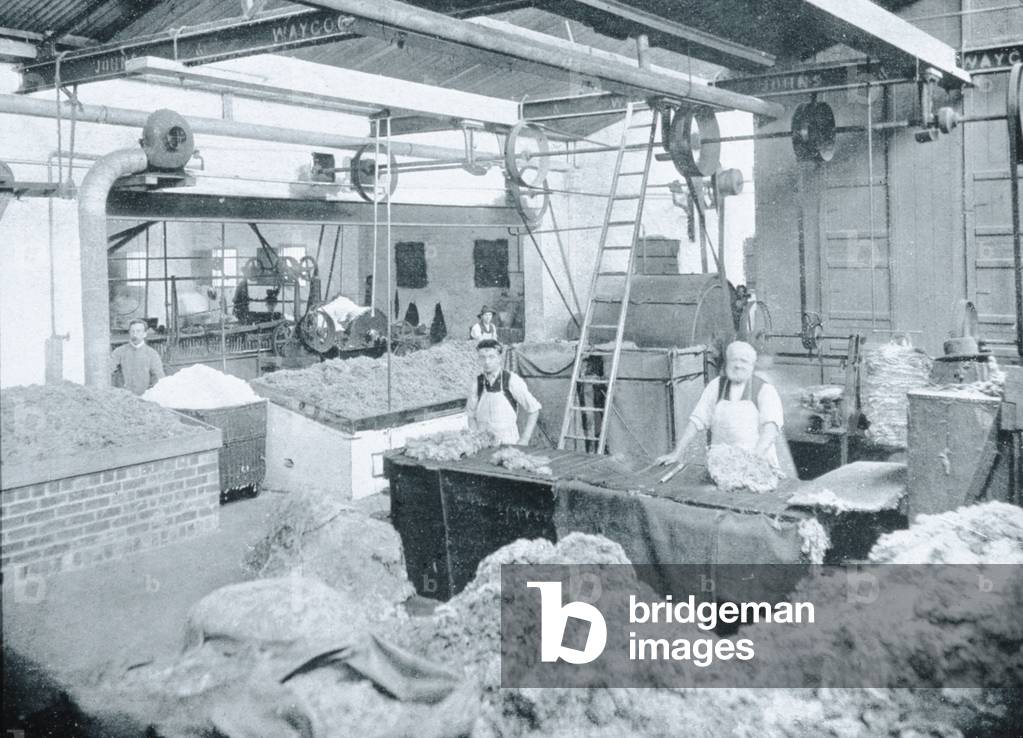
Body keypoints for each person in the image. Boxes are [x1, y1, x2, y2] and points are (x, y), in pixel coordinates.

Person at [656, 340, 784, 469]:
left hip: (757, 464)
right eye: (734, 360)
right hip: (722, 465)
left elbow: (770, 430)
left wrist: (753, 461)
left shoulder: (765, 390)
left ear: (752, 365)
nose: (738, 365)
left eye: (744, 361)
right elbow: (696, 421)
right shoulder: (716, 386)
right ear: (727, 363)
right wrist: (676, 453)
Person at [467, 339, 541, 445]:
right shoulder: (477, 383)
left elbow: (534, 409)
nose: (487, 362)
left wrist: (525, 439)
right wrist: (475, 438)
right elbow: (471, 416)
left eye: (491, 357)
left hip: (508, 442)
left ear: (499, 358)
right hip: (484, 445)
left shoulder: (511, 380)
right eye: (482, 357)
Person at [111, 318, 165, 395]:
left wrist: (151, 394)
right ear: (129, 333)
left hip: (144, 398)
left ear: (145, 334)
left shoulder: (152, 354)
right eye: (132, 331)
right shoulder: (119, 352)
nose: (135, 334)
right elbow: (108, 371)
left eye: (138, 331)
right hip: (123, 398)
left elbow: (159, 378)